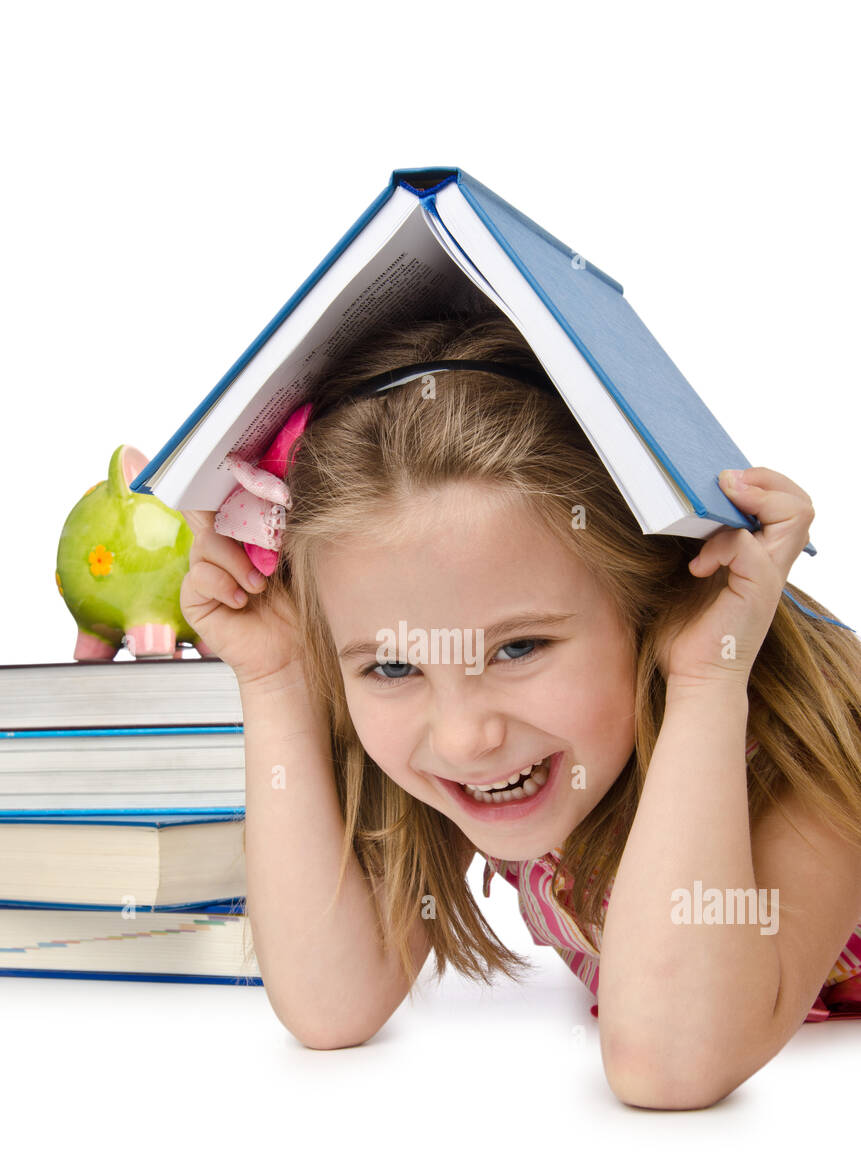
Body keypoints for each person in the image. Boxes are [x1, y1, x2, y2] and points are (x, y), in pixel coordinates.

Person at [179, 309, 861, 1110]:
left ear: (656, 598)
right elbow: (330, 1007)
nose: (465, 738)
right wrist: (274, 677)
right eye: (391, 665)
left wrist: (707, 683)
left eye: (518, 648)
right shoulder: (497, 760)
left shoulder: (801, 748)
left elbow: (669, 1066)